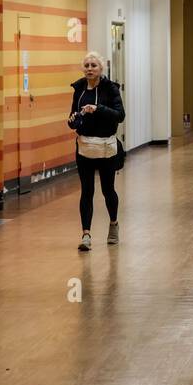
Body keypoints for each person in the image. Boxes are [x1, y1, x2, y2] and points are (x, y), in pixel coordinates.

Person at [68, 51, 125, 251]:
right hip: (84, 146)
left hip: (105, 147)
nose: (90, 69)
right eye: (87, 65)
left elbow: (120, 115)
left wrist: (98, 108)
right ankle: (86, 235)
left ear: (101, 69)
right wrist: (74, 120)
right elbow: (73, 116)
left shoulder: (111, 89)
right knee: (87, 191)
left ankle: (113, 224)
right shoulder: (79, 89)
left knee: (107, 190)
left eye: (94, 65)